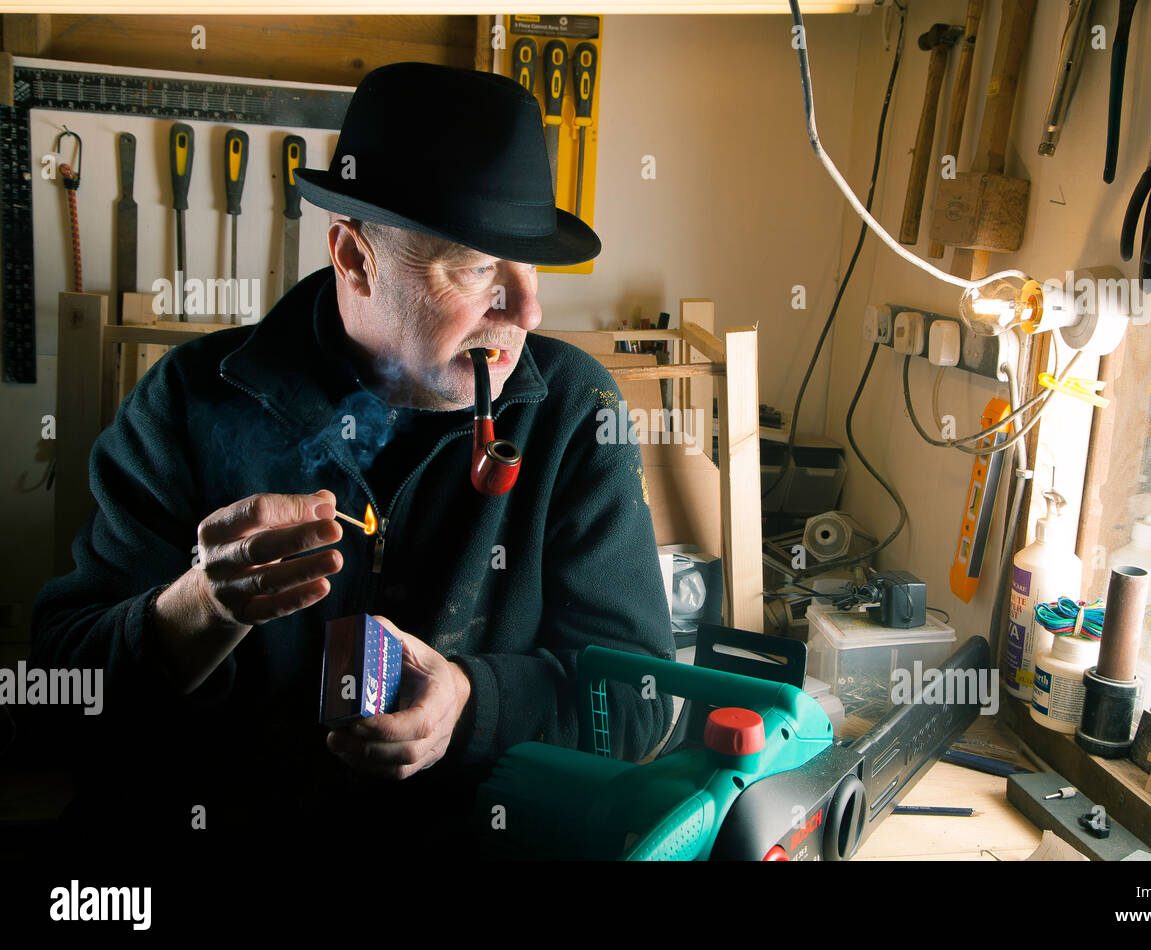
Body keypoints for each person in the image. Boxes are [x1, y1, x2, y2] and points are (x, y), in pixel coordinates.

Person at [30, 62, 673, 854]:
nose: (528, 309)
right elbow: (63, 694)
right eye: (476, 268)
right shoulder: (186, 402)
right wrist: (201, 608)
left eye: (528, 265)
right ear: (354, 257)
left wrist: (471, 704)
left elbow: (641, 701)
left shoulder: (574, 412)